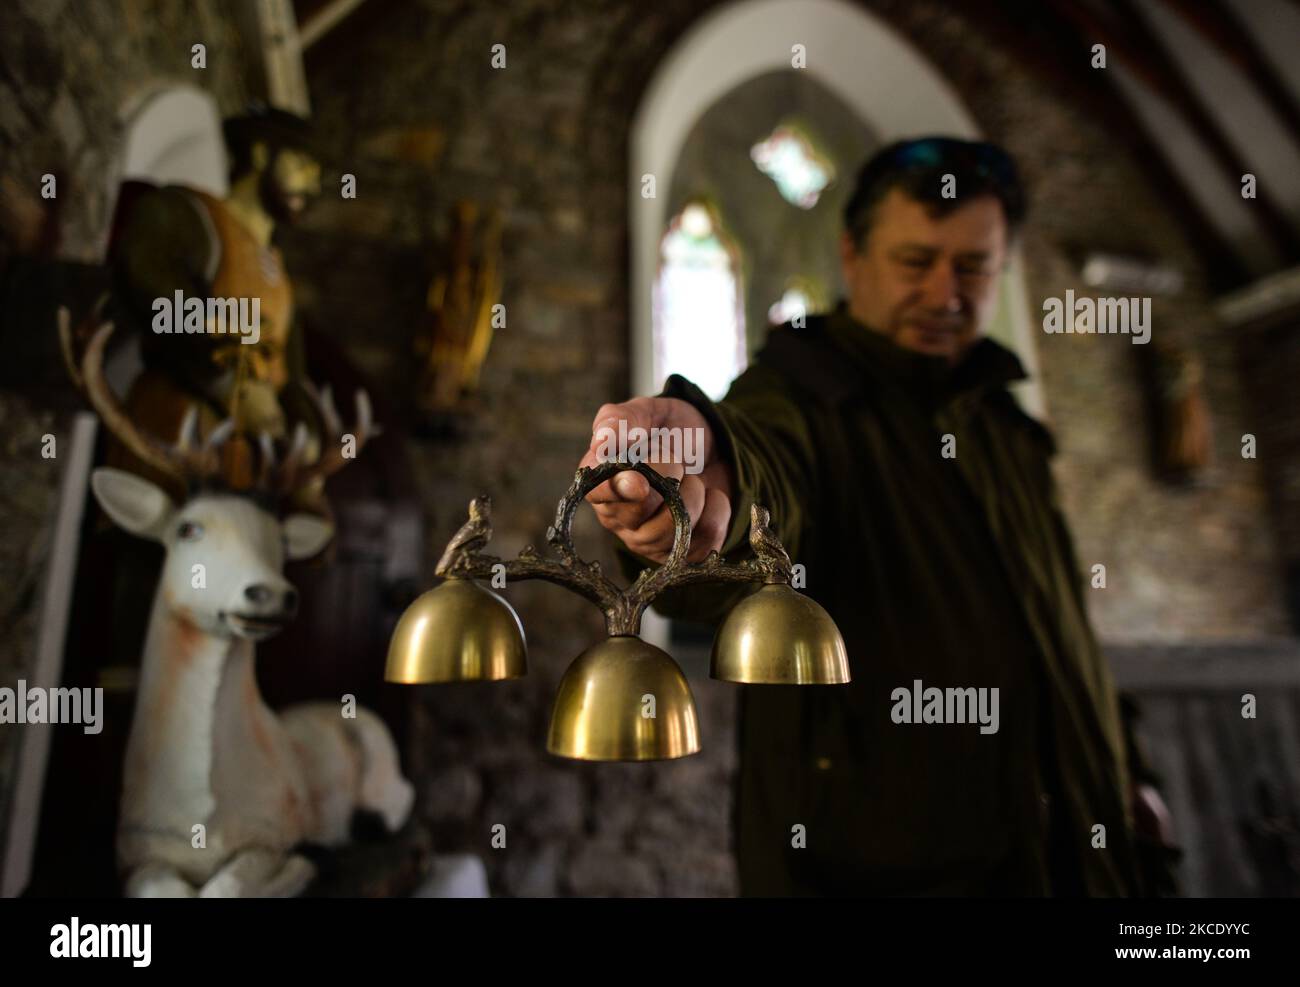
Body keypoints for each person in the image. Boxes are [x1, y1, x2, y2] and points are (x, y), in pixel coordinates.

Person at [580, 137, 1176, 896]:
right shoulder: (799, 392)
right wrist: (707, 495)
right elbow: (770, 470)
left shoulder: (1007, 429)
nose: (943, 293)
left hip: (1085, 859)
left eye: (972, 266)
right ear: (852, 255)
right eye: (915, 260)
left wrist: (1128, 772)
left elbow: (1059, 633)